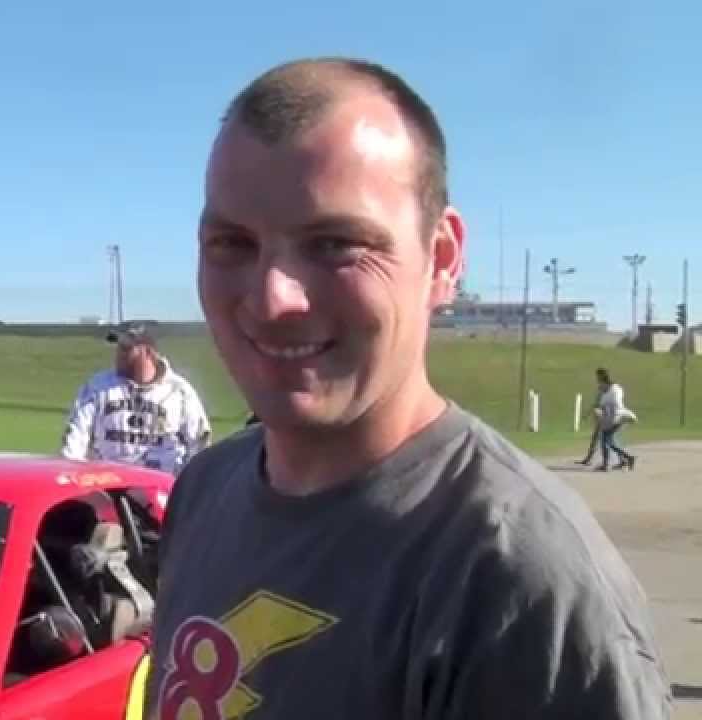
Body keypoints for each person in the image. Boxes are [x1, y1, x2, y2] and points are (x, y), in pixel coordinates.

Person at [146, 57, 670, 718]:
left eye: (335, 243)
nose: (273, 297)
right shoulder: (202, 494)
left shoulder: (521, 580)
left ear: (443, 259)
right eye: (231, 243)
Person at [60, 321, 211, 475]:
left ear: (148, 352)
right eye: (118, 347)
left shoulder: (179, 392)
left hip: (163, 488)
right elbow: (74, 442)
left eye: (126, 349)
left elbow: (200, 446)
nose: (118, 354)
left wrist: (188, 488)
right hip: (108, 486)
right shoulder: (98, 387)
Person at [595, 367, 638, 472]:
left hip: (619, 417)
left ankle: (610, 464)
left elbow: (616, 408)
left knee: (606, 440)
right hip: (614, 418)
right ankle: (625, 459)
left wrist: (606, 421)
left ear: (603, 379)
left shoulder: (614, 390)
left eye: (598, 379)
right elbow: (602, 407)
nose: (598, 383)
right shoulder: (606, 393)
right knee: (609, 441)